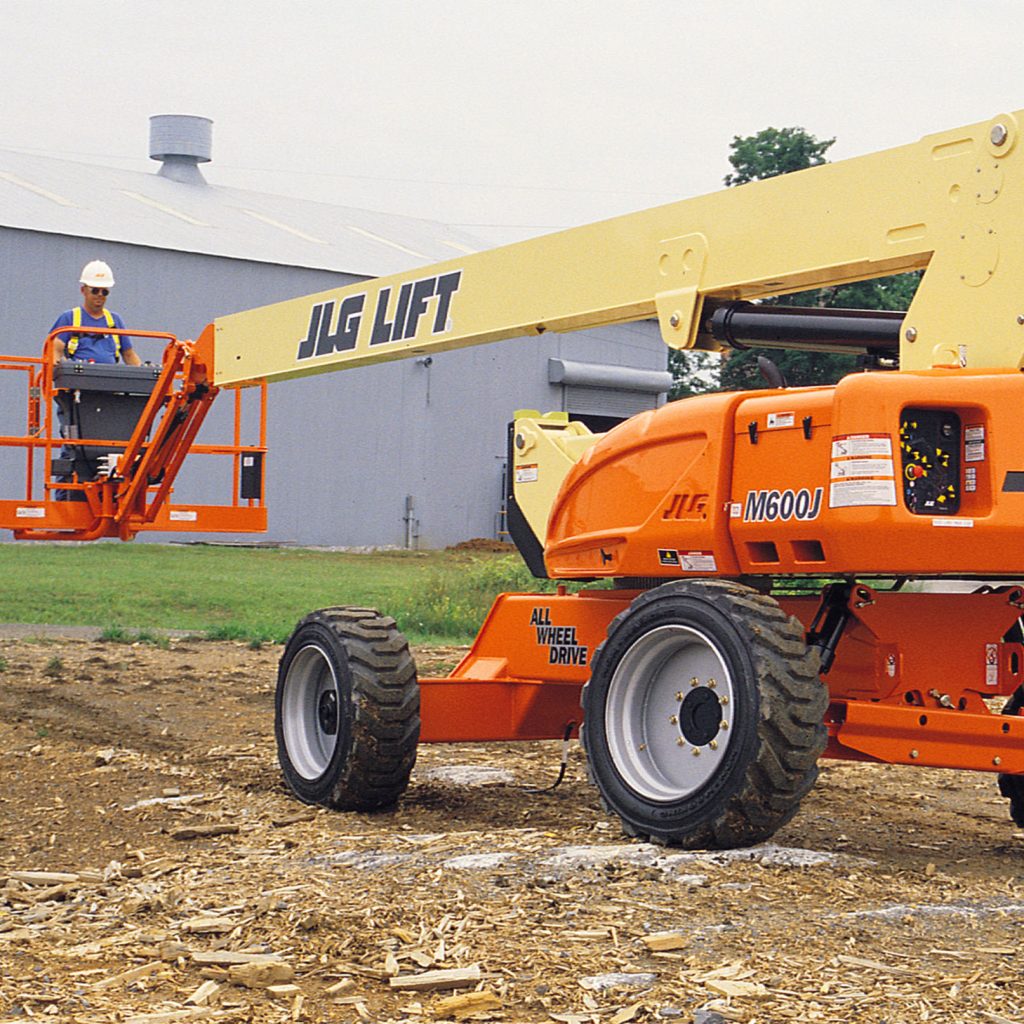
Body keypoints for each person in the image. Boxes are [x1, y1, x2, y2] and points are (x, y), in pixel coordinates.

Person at [49, 260, 141, 365]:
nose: (100, 295)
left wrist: (144, 374)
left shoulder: (115, 321)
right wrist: (61, 370)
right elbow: (55, 349)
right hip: (77, 378)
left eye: (104, 291)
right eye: (95, 290)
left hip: (109, 378)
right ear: (83, 290)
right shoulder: (69, 318)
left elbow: (128, 354)